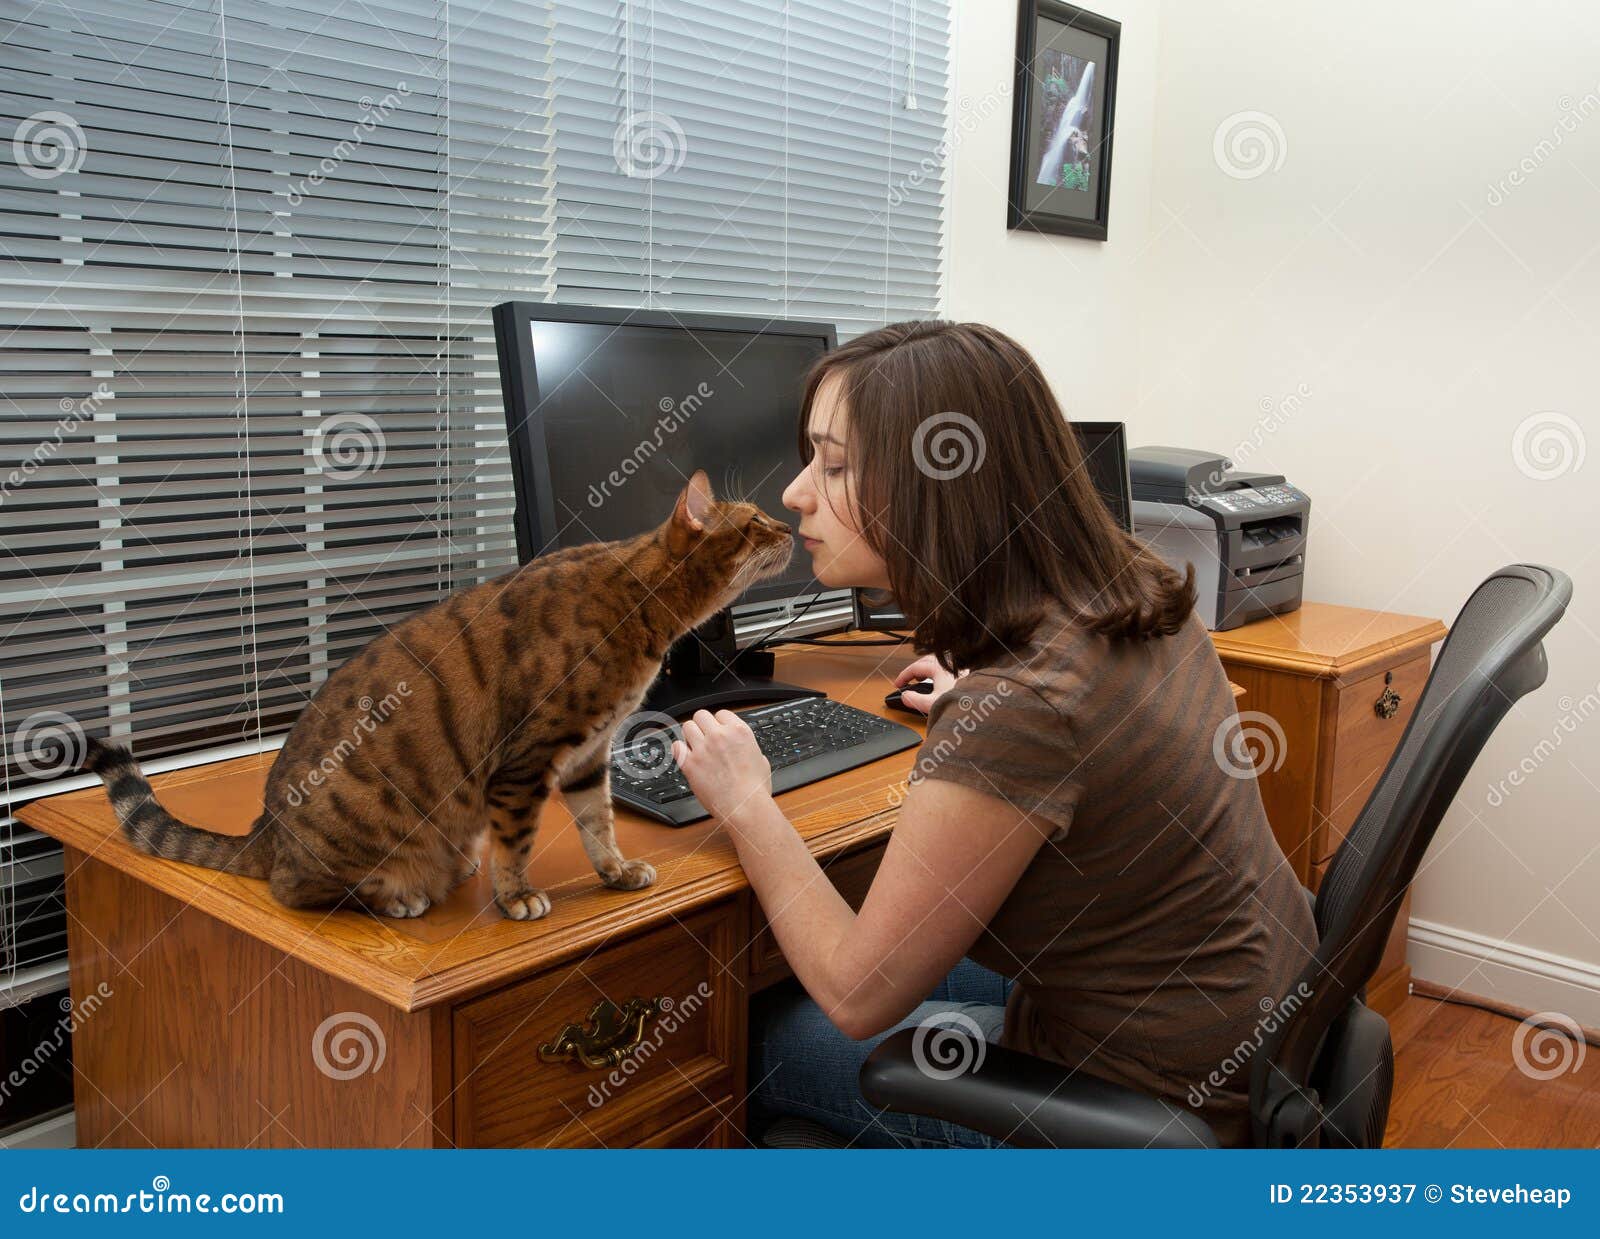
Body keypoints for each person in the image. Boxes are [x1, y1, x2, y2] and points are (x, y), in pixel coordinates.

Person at [671, 320, 1316, 1148]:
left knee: (757, 1036)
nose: (796, 493)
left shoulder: (1020, 710)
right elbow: (1064, 723)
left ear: (934, 487)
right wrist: (980, 693)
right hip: (1254, 1046)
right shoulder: (1126, 584)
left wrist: (747, 801)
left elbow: (857, 991)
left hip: (1147, 1116)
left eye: (833, 466)